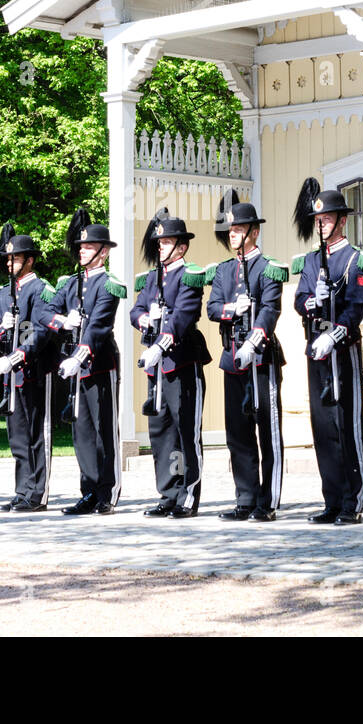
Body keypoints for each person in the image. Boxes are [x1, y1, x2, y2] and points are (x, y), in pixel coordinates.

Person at [292, 180, 363, 526]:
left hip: (342, 350)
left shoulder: (356, 259)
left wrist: (335, 333)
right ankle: (331, 499)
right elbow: (299, 299)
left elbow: (357, 307)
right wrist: (311, 301)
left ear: (342, 221)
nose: (321, 224)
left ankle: (352, 500)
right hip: (316, 349)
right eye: (318, 220)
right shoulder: (310, 261)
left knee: (346, 424)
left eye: (327, 219)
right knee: (323, 428)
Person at [206, 201, 288, 522]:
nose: (233, 235)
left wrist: (255, 338)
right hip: (232, 359)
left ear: (254, 232)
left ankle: (268, 501)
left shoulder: (267, 267)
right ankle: (246, 498)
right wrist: (231, 309)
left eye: (239, 230)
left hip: (261, 358)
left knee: (268, 432)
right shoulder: (224, 270)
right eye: (231, 231)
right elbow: (213, 308)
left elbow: (270, 308)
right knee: (237, 433)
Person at [130, 214, 211, 518]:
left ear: (181, 246)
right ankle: (169, 492)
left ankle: (189, 494)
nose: (160, 247)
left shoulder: (189, 275)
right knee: (162, 433)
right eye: (159, 242)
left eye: (166, 242)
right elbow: (136, 309)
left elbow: (184, 316)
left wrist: (161, 343)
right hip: (157, 369)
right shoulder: (152, 278)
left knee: (185, 432)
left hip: (181, 362)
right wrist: (143, 319)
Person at [45, 220, 128, 515]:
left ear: (103, 252)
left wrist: (78, 357)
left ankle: (108, 491)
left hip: (100, 362)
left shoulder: (109, 285)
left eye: (89, 247)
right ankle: (89, 491)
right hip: (74, 365)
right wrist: (63, 322)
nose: (82, 251)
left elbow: (99, 327)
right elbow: (46, 311)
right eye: (81, 246)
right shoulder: (69, 283)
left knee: (104, 428)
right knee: (82, 432)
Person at [0, 230, 58, 513]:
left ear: (29, 260)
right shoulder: (5, 293)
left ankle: (37, 492)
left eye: (15, 258)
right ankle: (22, 489)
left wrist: (19, 355)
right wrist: (2, 327)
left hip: (33, 370)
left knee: (36, 432)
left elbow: (42, 331)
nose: (8, 263)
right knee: (17, 435)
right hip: (10, 374)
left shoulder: (40, 289)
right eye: (7, 258)